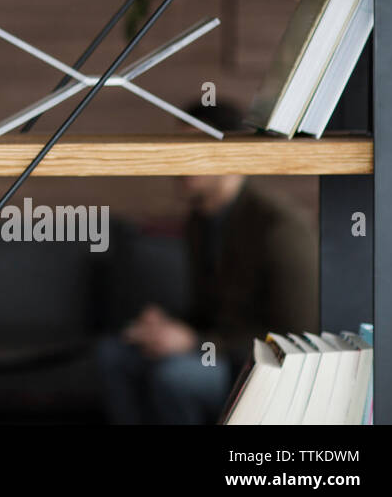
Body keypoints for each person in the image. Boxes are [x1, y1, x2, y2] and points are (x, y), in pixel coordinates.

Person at [95, 100, 318, 424]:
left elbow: (296, 338)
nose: (180, 163)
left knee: (175, 377)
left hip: (256, 366)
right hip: (215, 348)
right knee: (112, 355)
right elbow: (208, 312)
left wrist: (194, 342)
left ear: (231, 154)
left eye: (193, 148)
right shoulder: (200, 221)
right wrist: (165, 326)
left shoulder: (280, 229)